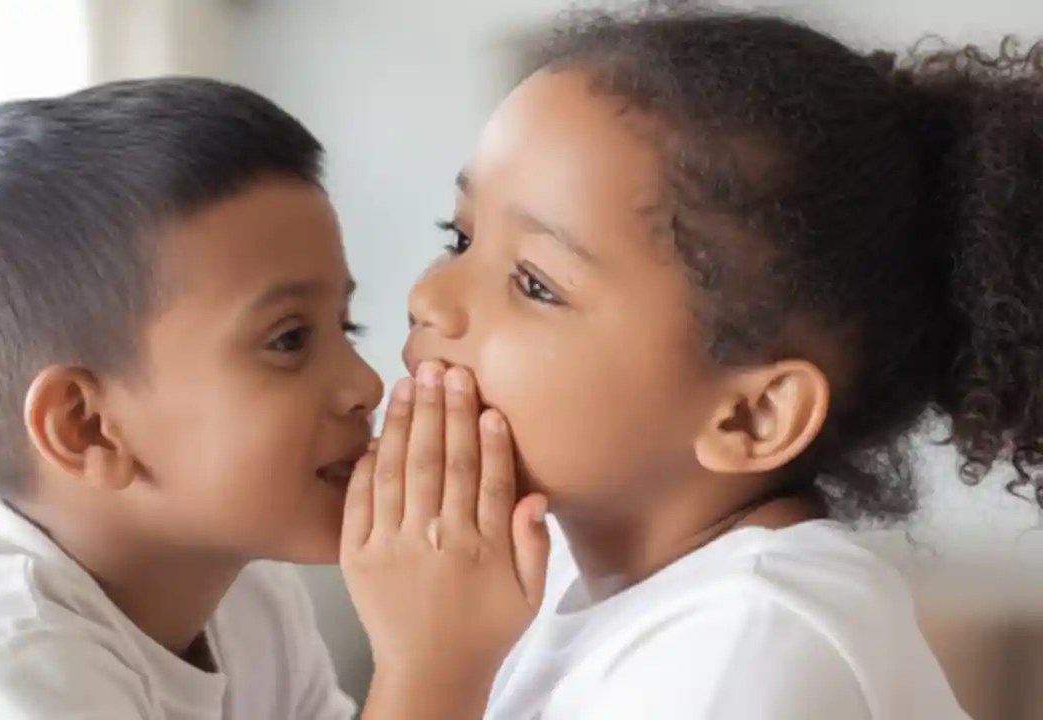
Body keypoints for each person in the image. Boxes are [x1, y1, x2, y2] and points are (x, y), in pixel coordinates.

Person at [343, 6, 1043, 719]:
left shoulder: (748, 651)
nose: (429, 297)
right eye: (460, 238)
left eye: (535, 283)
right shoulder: (550, 575)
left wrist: (427, 673)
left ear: (752, 415)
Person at [0, 77, 383, 719]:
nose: (366, 385)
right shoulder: (4, 668)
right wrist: (426, 660)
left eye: (346, 326)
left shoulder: (252, 600)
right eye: (289, 339)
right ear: (88, 428)